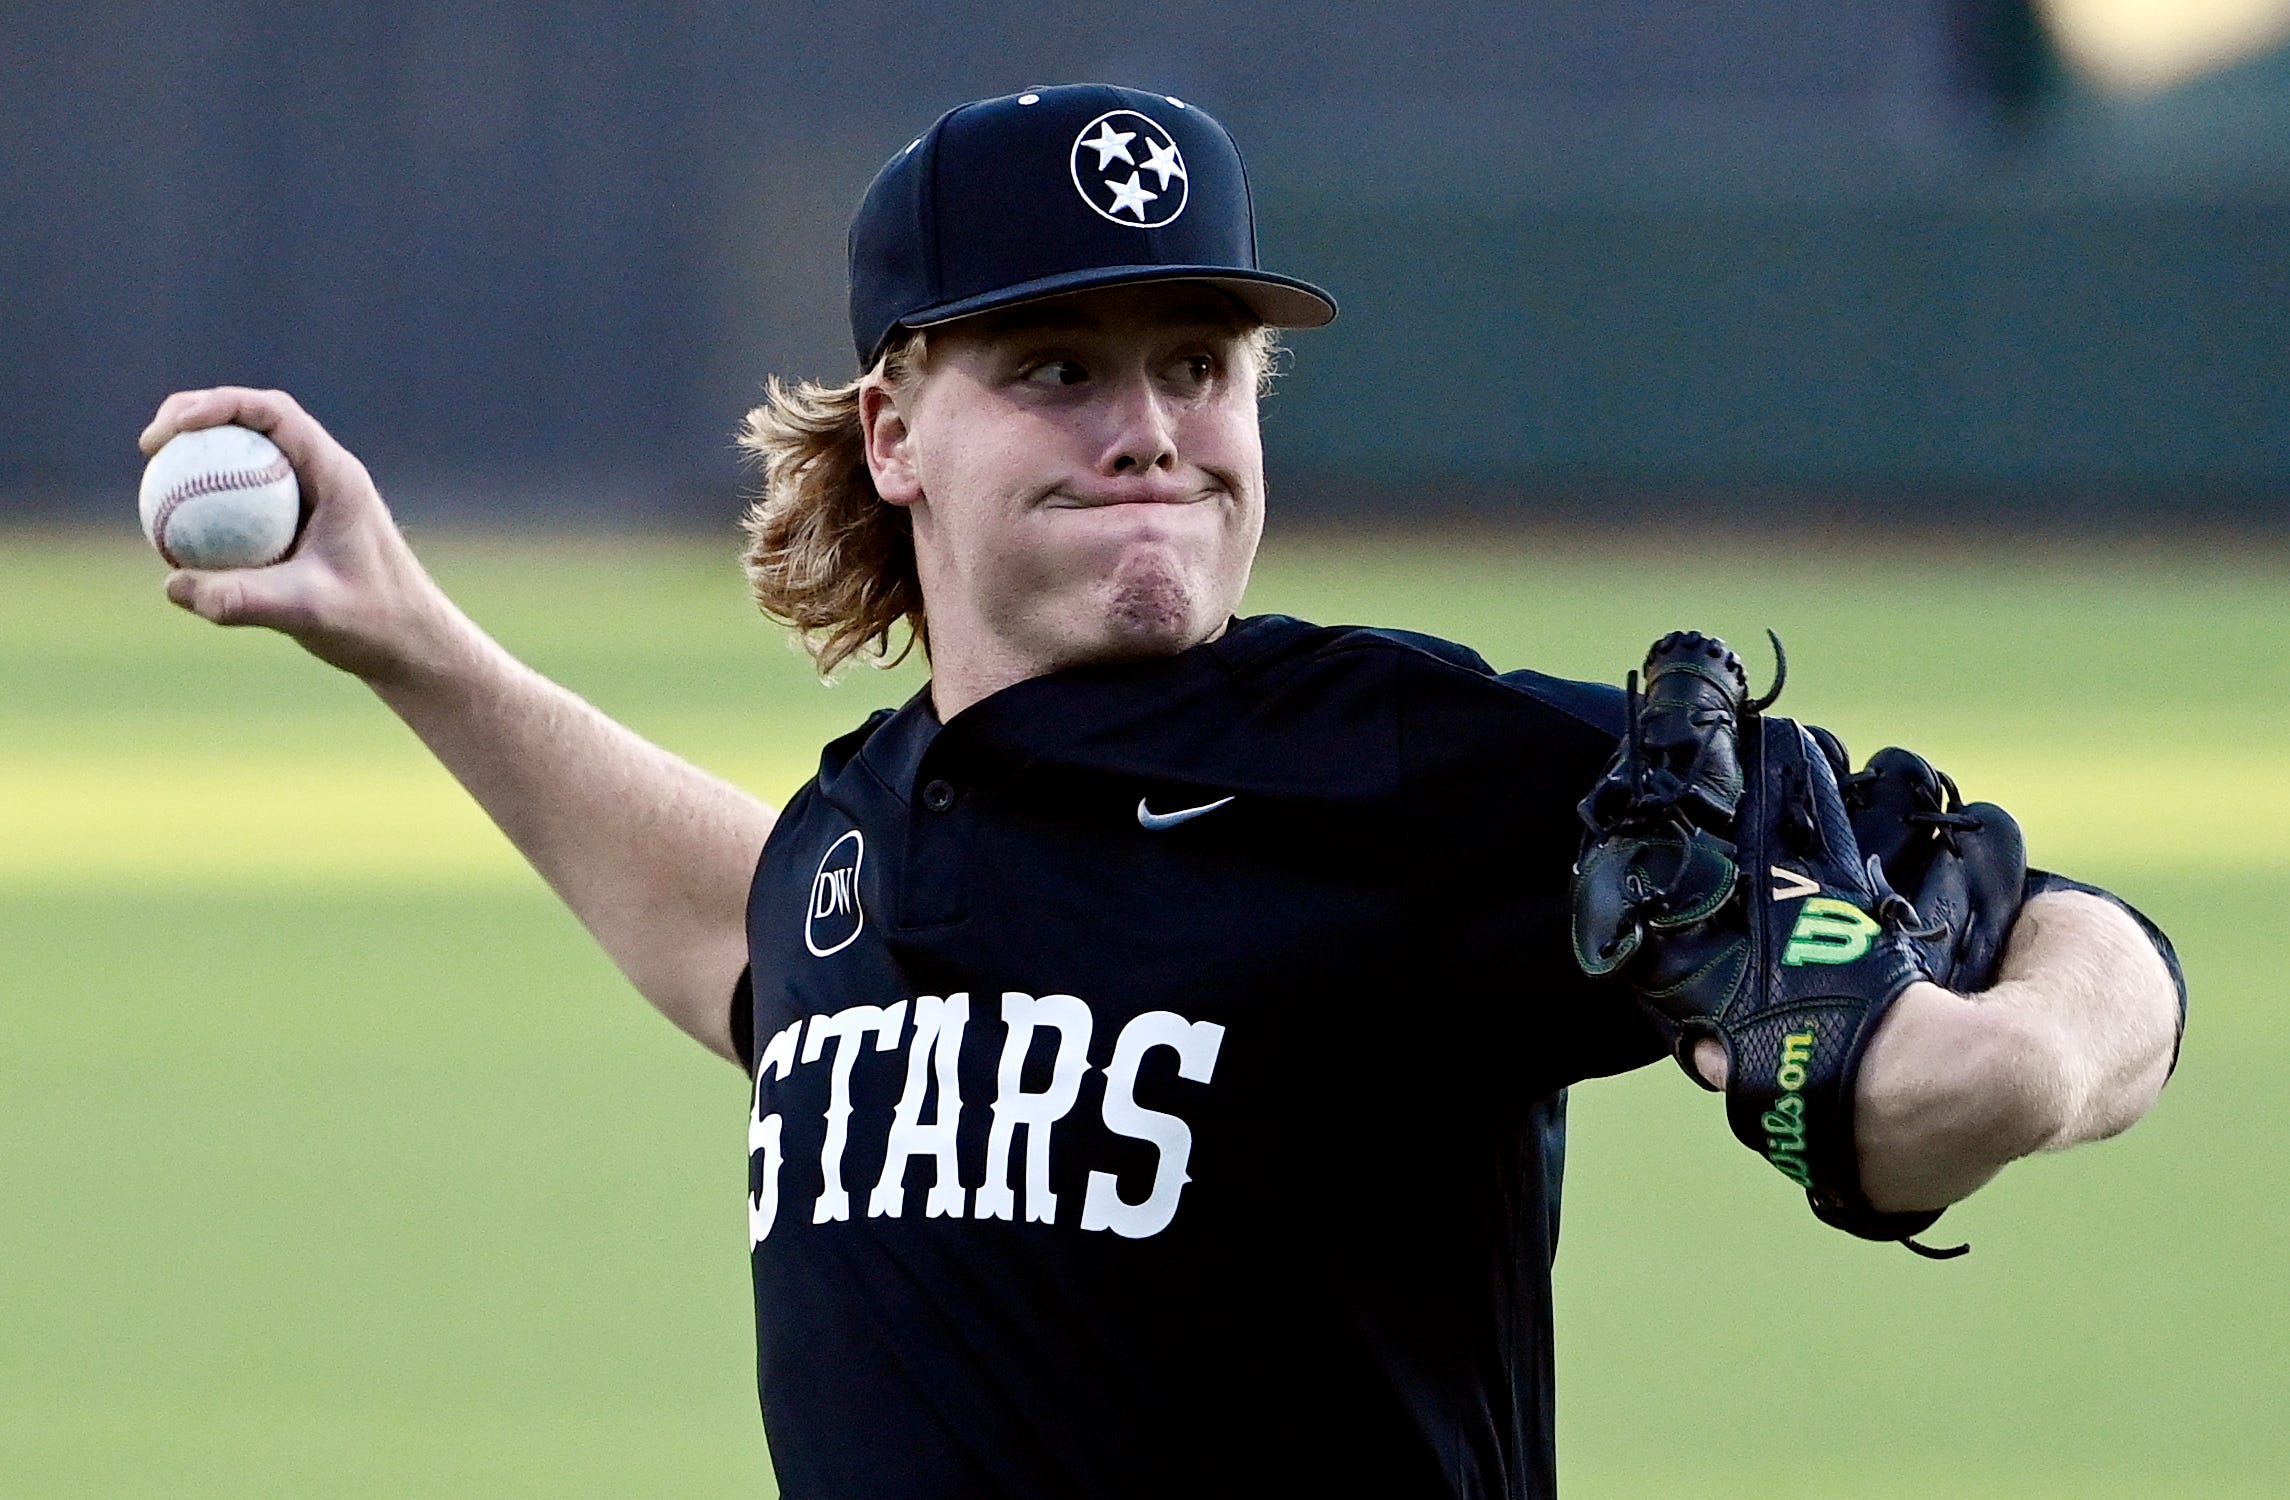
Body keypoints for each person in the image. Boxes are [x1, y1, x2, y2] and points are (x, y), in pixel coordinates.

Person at [142, 84, 2183, 1500]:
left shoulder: (1408, 764)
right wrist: (406, 634)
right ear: (894, 429)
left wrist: (1999, 1063)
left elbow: (2070, 947)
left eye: (1196, 366)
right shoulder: (864, 835)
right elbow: (740, 935)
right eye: (1057, 369)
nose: (1149, 429)